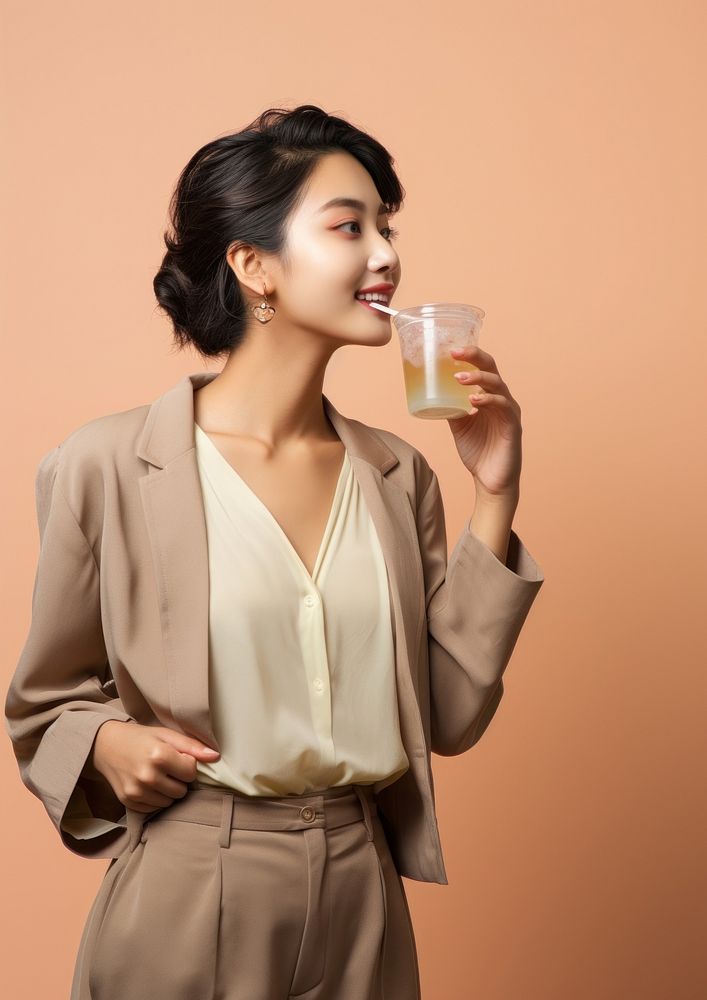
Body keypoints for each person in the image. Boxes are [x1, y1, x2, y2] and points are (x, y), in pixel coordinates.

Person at [4, 104, 545, 999]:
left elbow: (447, 716)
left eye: (386, 227)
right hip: (190, 880)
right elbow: (44, 706)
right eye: (348, 227)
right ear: (252, 264)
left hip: (361, 883)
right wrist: (103, 745)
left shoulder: (395, 473)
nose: (385, 255)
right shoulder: (106, 466)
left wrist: (496, 493)